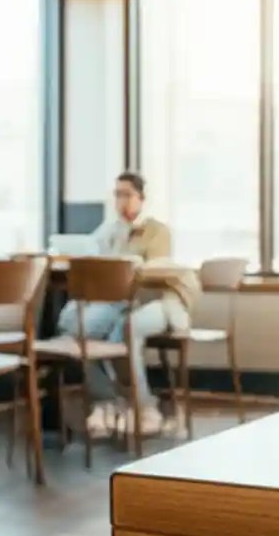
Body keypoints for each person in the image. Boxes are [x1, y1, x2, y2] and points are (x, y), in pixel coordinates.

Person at [57, 172, 199, 437]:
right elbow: (95, 258)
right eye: (117, 194)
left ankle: (144, 407)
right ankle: (108, 400)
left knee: (124, 330)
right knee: (76, 332)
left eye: (127, 194)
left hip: (153, 301)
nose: (121, 200)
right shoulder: (111, 230)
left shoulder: (156, 231)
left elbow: (155, 273)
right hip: (117, 301)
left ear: (141, 198)